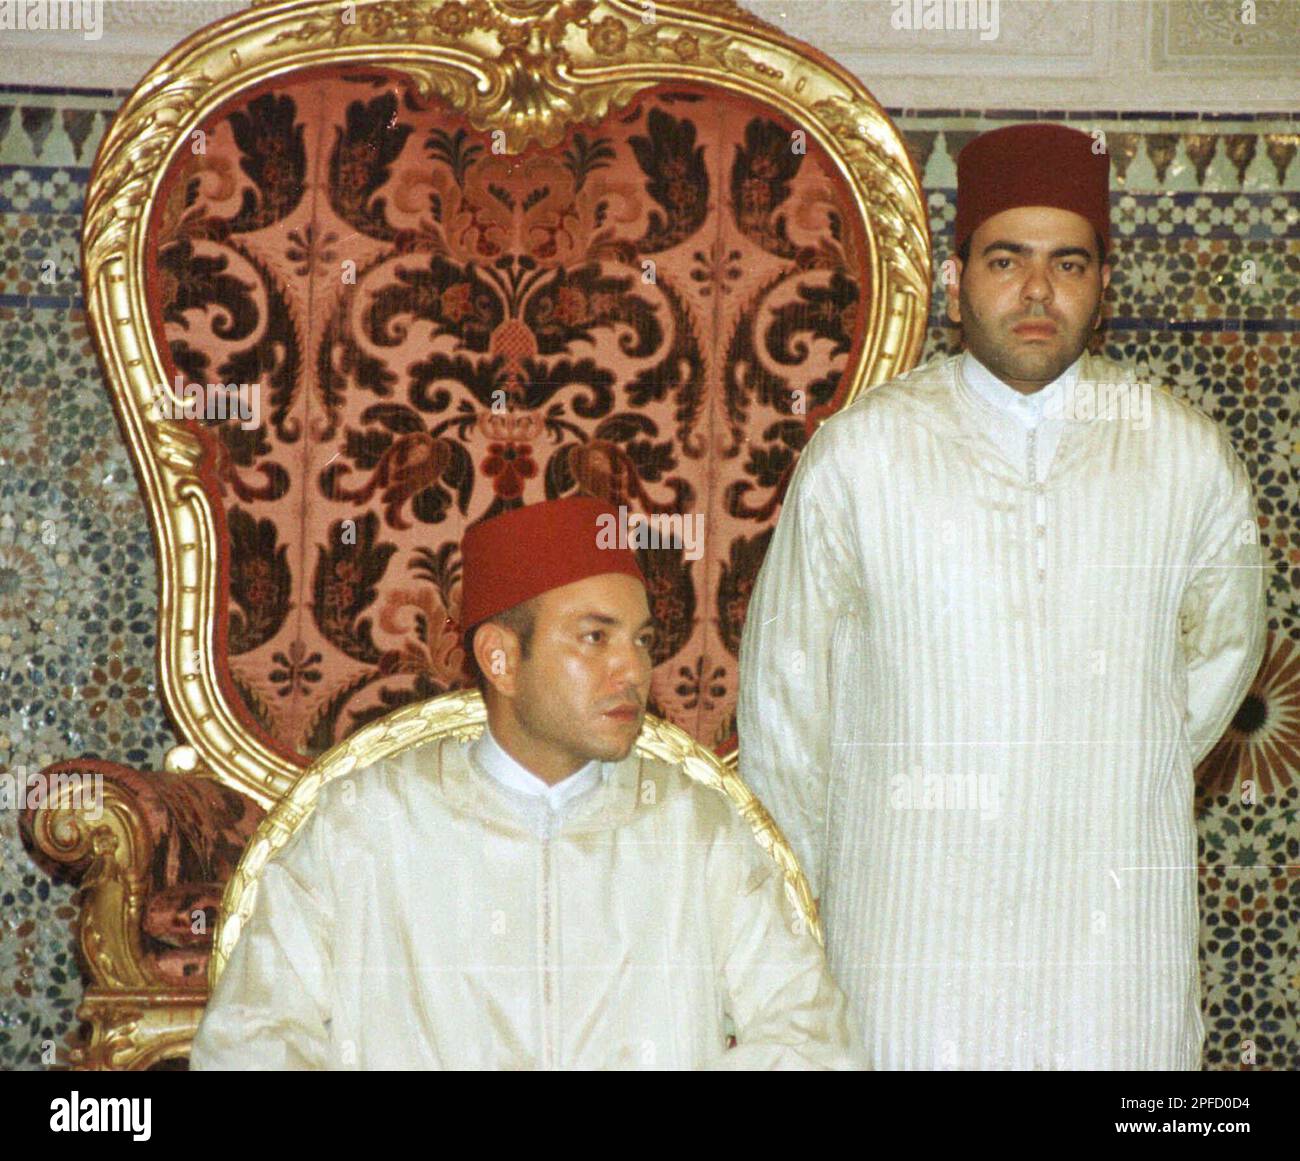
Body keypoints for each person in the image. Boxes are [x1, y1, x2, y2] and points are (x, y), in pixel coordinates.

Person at [737, 123, 1267, 1070]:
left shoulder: (1184, 456)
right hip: (911, 934)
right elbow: (786, 706)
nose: (1035, 291)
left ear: (1104, 283)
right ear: (954, 277)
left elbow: (1221, 656)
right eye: (1005, 259)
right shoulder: (861, 457)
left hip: (1113, 947)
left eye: (1068, 263)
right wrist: (817, 898)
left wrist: (1100, 766)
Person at [192, 495, 858, 1070]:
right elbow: (251, 1039)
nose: (632, 668)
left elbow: (811, 1038)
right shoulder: (370, 822)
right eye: (595, 637)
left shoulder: (693, 827)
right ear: (501, 658)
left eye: (643, 639)